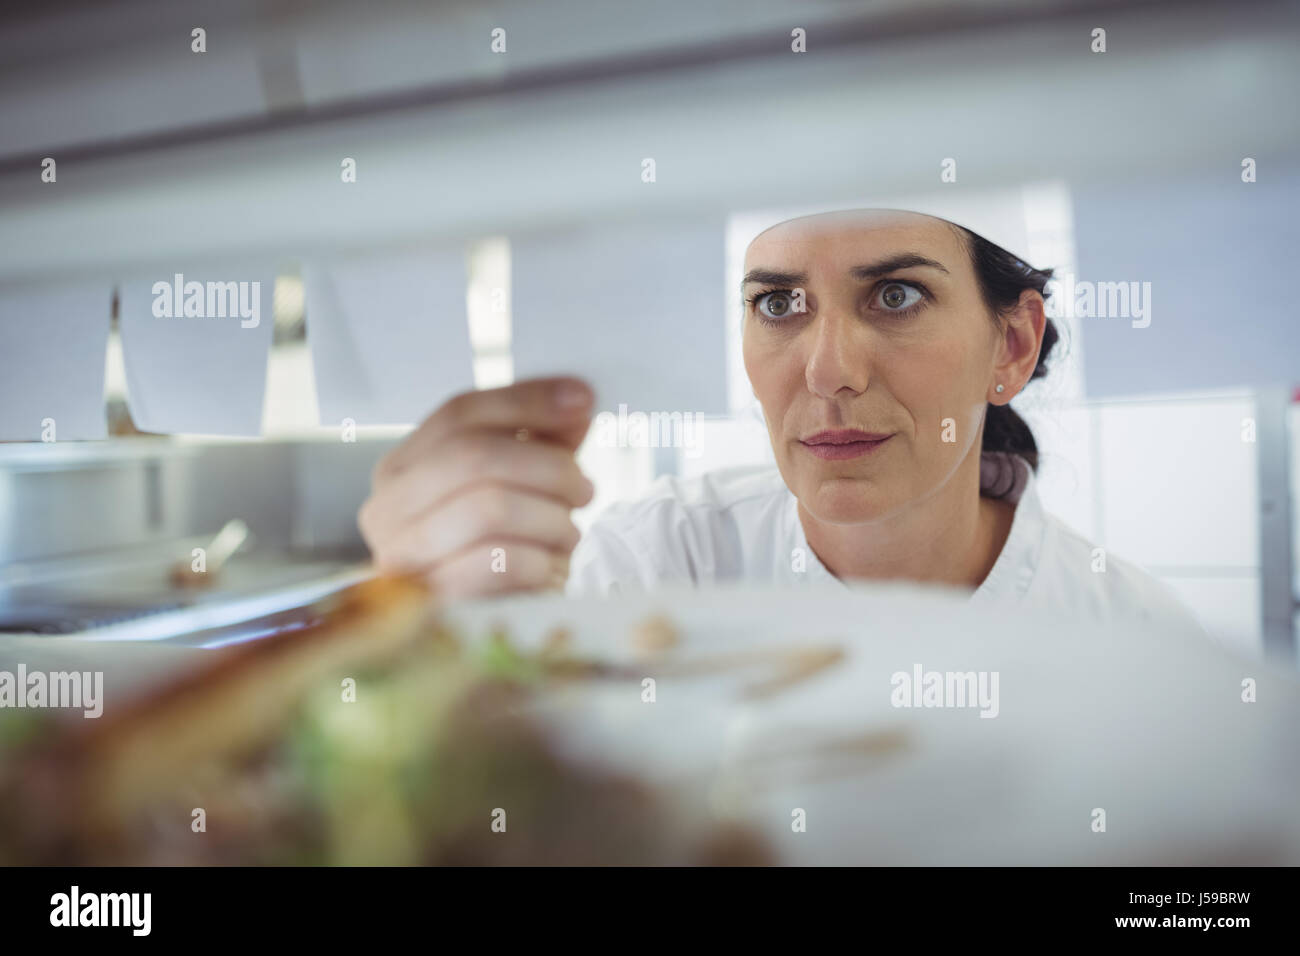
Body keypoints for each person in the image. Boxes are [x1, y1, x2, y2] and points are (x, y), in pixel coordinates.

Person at [358, 209, 1207, 637]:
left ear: (1011, 347)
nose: (828, 371)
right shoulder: (654, 566)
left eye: (897, 295)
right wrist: (426, 642)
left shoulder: (1133, 634)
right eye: (778, 303)